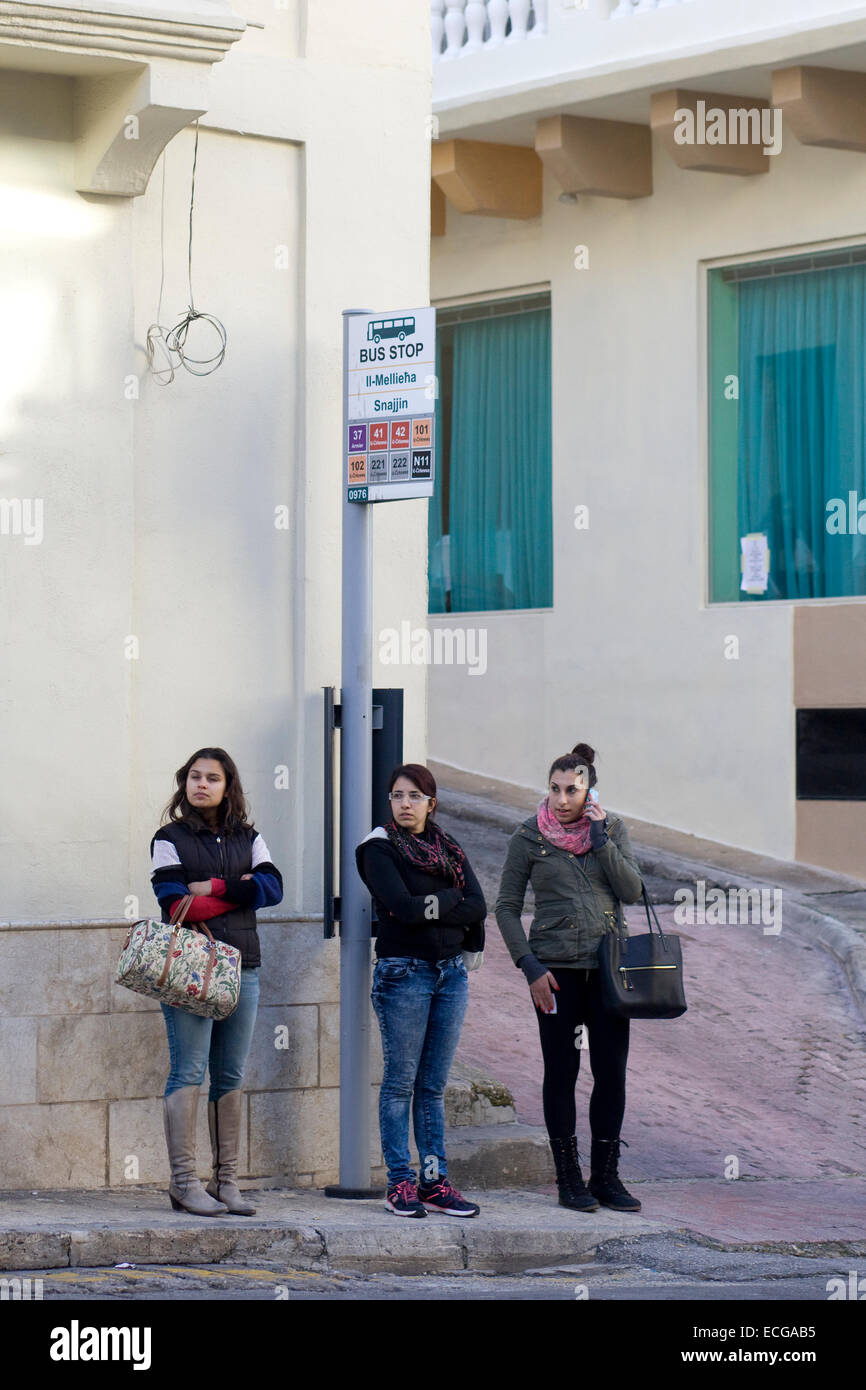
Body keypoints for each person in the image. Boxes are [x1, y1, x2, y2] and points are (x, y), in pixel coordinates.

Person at [495, 742, 644, 1213]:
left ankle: (606, 1177)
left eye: (573, 790)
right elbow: (505, 908)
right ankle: (568, 1179)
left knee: (611, 1073)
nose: (562, 799)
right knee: (562, 1073)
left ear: (589, 791)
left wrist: (601, 840)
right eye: (555, 789)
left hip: (607, 970)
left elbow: (633, 891)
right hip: (554, 973)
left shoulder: (612, 829)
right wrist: (530, 967)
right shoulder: (528, 837)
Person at [150, 747, 283, 1216]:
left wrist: (214, 888)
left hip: (243, 968)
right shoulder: (167, 839)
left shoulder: (251, 836)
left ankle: (226, 1182)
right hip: (190, 969)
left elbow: (273, 888)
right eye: (194, 777)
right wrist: (239, 891)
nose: (201, 784)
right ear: (184, 783)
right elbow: (177, 906)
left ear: (228, 786)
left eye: (212, 778)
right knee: (188, 1071)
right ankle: (183, 1183)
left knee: (229, 1076)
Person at [355, 764, 486, 1218]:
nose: (405, 804)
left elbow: (480, 905)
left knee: (431, 1087)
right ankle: (400, 1184)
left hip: (451, 973)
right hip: (404, 973)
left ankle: (433, 1182)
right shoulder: (378, 848)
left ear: (431, 802)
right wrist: (451, 902)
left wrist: (439, 907)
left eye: (414, 796)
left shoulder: (446, 846)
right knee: (399, 1083)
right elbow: (405, 911)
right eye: (396, 796)